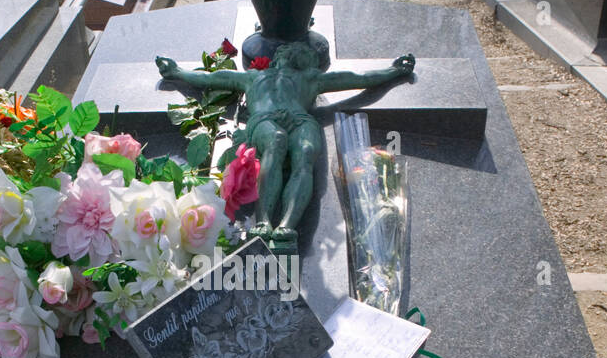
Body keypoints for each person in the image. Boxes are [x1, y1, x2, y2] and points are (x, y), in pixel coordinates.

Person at [156, 42, 415, 252]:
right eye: (287, 52)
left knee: (304, 153)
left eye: (295, 52)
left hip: (301, 120)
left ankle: (287, 226)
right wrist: (177, 72)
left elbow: (356, 78)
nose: (289, 54)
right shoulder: (252, 77)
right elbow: (212, 78)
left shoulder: (310, 78)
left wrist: (393, 72)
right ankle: (264, 222)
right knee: (276, 141)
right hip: (265, 121)